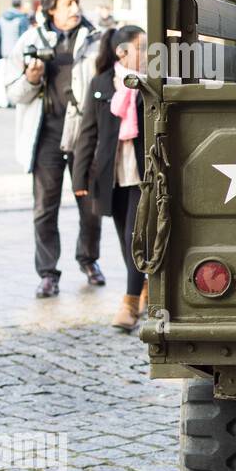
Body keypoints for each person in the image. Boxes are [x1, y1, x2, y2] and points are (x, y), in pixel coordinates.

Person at [4, 0, 105, 298]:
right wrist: (31, 79)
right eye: (68, 3)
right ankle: (48, 273)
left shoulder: (96, 39)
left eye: (78, 1)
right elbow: (13, 93)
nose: (76, 8)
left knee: (90, 205)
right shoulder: (29, 40)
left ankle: (89, 260)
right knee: (44, 209)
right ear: (50, 9)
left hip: (84, 136)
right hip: (45, 135)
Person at [73, 26, 147, 330]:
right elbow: (88, 131)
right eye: (141, 48)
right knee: (124, 238)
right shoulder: (101, 82)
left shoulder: (151, 83)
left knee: (134, 236)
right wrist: (80, 178)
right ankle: (143, 287)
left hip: (142, 173)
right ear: (122, 53)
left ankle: (129, 304)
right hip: (111, 174)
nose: (147, 54)